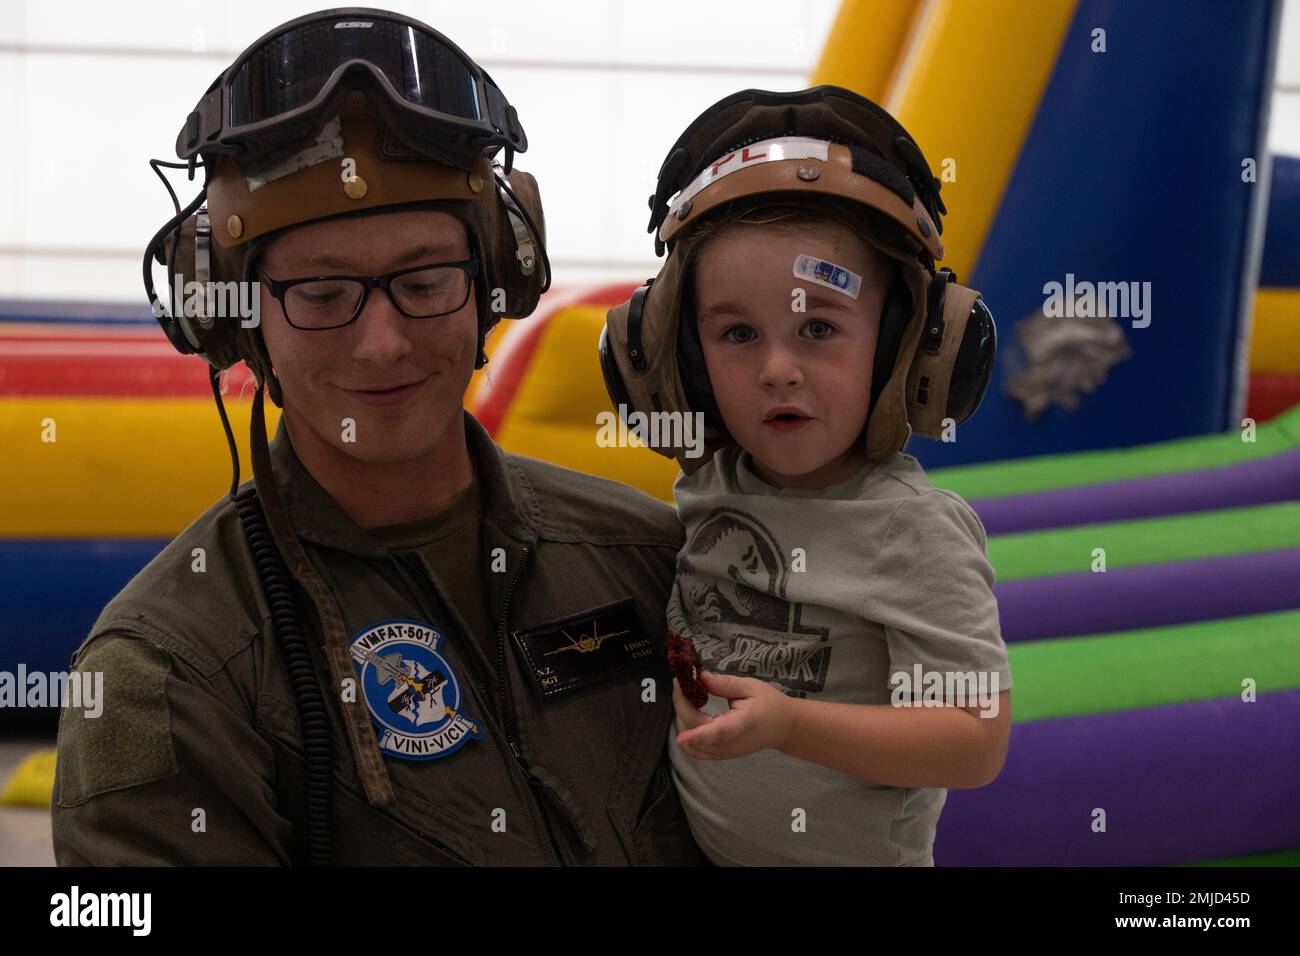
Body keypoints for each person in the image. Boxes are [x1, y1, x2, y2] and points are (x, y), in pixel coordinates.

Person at [51, 7, 705, 866]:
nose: (384, 342)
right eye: (322, 294)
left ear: (495, 283)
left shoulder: (656, 562)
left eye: (426, 280)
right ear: (238, 322)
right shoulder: (165, 674)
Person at [599, 86, 1011, 865]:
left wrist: (792, 725)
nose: (777, 370)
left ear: (904, 347)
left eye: (818, 326)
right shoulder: (713, 482)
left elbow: (973, 740)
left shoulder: (911, 529)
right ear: (681, 359)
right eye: (737, 333)